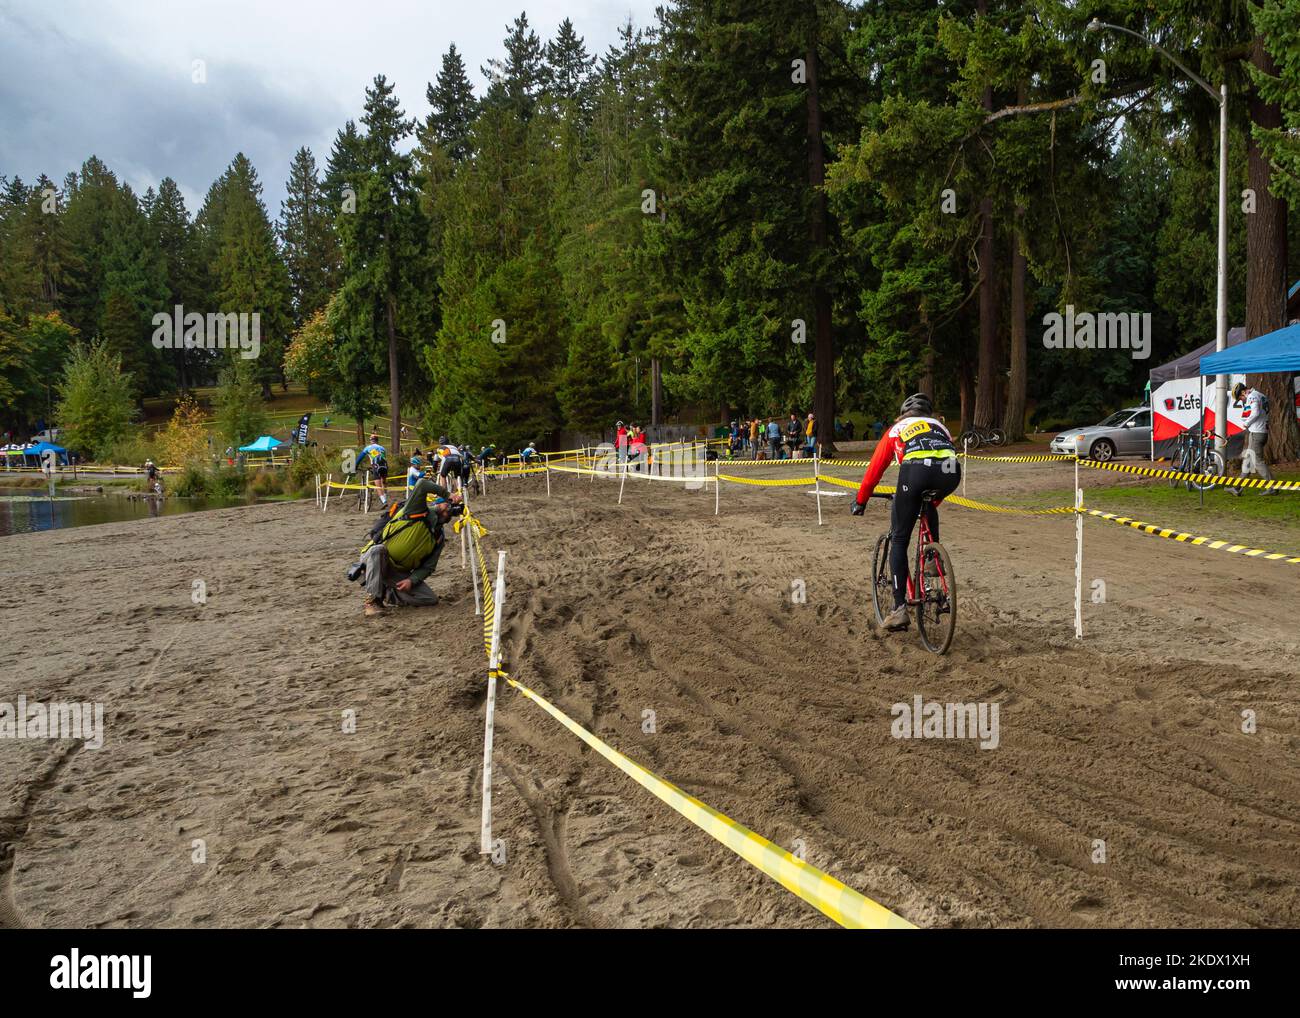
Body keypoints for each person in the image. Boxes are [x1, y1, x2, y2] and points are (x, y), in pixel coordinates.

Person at [851, 393, 962, 633]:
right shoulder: (939, 425)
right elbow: (946, 454)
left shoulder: (896, 428)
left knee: (900, 538)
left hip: (916, 473)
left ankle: (899, 608)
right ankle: (934, 560)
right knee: (928, 503)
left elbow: (875, 468)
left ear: (904, 413)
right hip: (951, 472)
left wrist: (861, 500)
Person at [356, 477, 463, 617]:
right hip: (373, 559)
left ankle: (386, 592)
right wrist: (449, 495)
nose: (449, 509)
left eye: (452, 509)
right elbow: (422, 484)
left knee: (429, 599)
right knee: (378, 550)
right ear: (438, 502)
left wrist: (411, 580)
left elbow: (428, 567)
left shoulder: (439, 536)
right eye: (447, 505)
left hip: (395, 571)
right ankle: (372, 602)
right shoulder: (416, 509)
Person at [1230, 381, 1276, 495]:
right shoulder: (1261, 395)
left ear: (1242, 392)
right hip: (1260, 431)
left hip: (1257, 432)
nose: (1241, 400)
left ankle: (1273, 486)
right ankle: (1237, 488)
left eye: (1240, 397)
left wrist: (1247, 423)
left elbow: (1255, 413)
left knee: (1257, 461)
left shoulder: (1252, 396)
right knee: (1248, 460)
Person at [359, 433, 389, 505]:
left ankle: (384, 501)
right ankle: (385, 496)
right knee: (383, 482)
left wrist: (355, 467)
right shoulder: (383, 448)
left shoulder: (368, 448)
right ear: (377, 440)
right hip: (385, 466)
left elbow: (359, 459)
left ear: (370, 441)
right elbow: (382, 458)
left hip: (376, 466)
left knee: (378, 486)